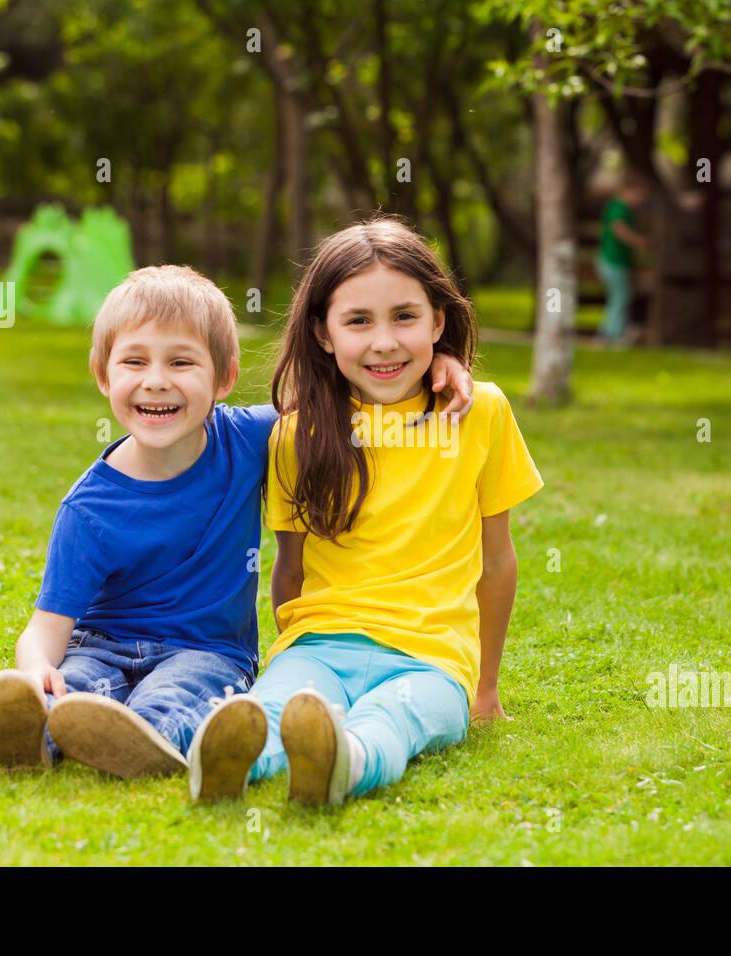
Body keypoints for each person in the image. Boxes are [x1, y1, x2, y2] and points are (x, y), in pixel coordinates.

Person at [0, 264, 473, 779]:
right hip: (103, 645)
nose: (157, 381)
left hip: (207, 651)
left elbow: (347, 395)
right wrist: (35, 670)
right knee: (77, 682)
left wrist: (442, 362)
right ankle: (34, 733)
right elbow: (47, 627)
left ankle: (141, 739)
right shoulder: (89, 508)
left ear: (224, 378)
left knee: (179, 694)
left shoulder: (251, 438)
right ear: (104, 375)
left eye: (182, 362)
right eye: (134, 362)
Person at [187, 218, 543, 805]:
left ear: (438, 322)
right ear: (324, 334)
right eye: (358, 321)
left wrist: (484, 688)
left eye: (405, 316)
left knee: (394, 718)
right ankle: (227, 762)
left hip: (432, 659)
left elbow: (498, 561)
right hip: (321, 642)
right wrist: (293, 642)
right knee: (279, 706)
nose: (384, 342)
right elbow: (290, 568)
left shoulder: (481, 413)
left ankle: (345, 763)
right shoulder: (298, 434)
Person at [597, 172, 650, 347]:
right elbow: (618, 230)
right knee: (621, 297)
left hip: (617, 261)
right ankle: (613, 334)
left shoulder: (623, 209)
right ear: (628, 190)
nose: (640, 200)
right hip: (613, 260)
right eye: (639, 194)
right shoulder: (618, 207)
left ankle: (609, 333)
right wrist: (638, 241)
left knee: (619, 297)